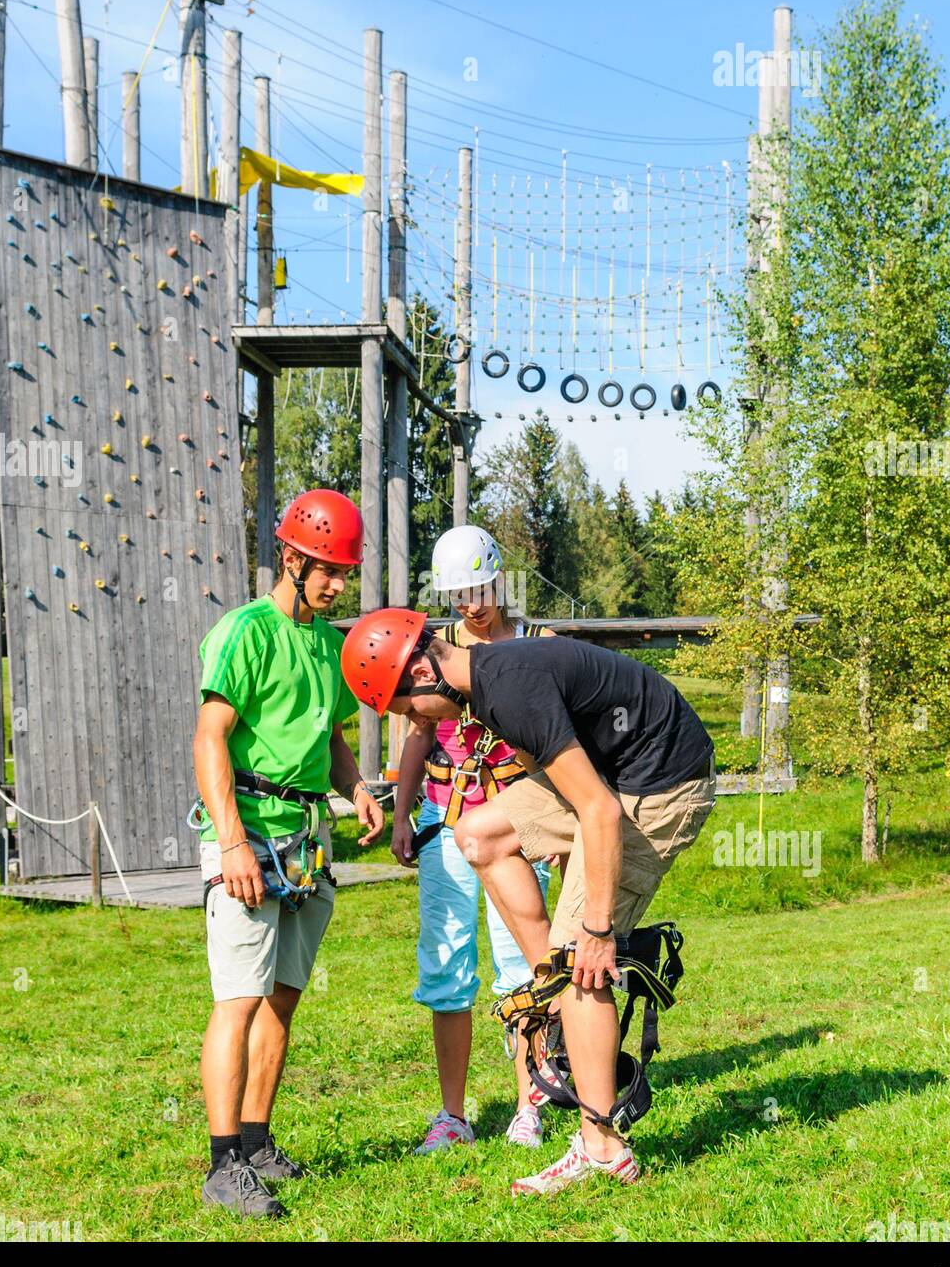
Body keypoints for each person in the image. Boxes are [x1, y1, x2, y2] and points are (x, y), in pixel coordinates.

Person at [341, 611, 715, 1196]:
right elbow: (562, 781)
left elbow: (599, 812)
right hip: (616, 775)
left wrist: (594, 928)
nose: (416, 721)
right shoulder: (489, 683)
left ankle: (603, 1146)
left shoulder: (509, 686)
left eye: (410, 709)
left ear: (421, 669)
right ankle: (555, 991)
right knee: (478, 833)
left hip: (662, 784)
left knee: (582, 963)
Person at [193, 489, 385, 1219]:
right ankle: (221, 1166)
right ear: (291, 557)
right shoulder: (244, 632)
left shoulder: (332, 646)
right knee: (237, 1001)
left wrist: (356, 787)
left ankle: (257, 1139)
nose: (338, 583)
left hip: (306, 840)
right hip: (248, 834)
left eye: (344, 571)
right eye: (327, 568)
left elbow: (331, 739)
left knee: (282, 999)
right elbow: (210, 736)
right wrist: (233, 841)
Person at [390, 526, 555, 1153]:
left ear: (498, 580)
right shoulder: (434, 651)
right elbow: (417, 736)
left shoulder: (535, 648)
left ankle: (530, 1105)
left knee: (525, 965)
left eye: (477, 591)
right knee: (448, 963)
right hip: (445, 822)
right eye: (456, 595)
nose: (468, 606)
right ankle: (452, 1115)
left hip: (517, 826)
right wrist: (402, 813)